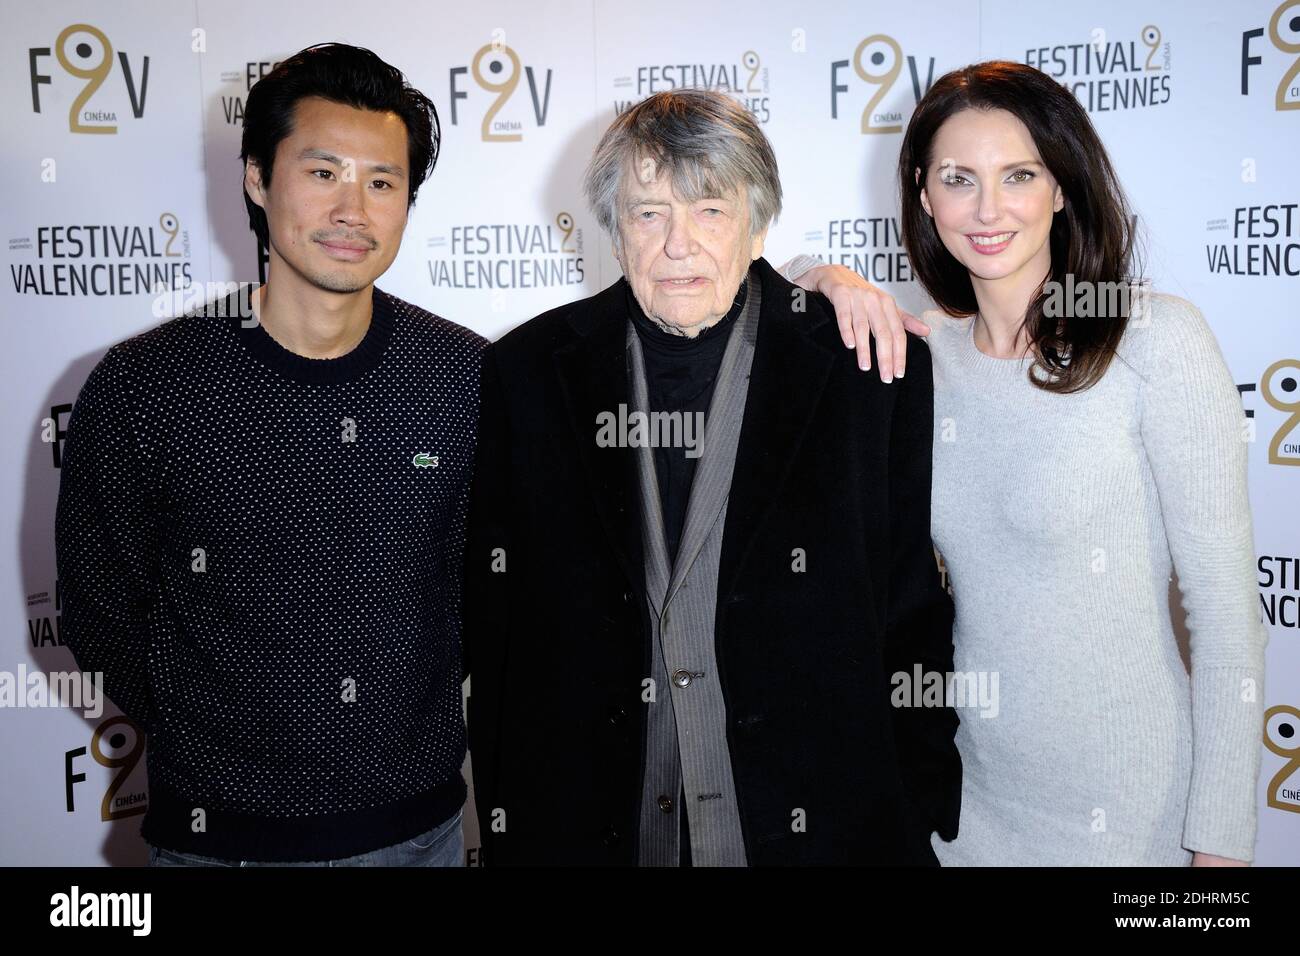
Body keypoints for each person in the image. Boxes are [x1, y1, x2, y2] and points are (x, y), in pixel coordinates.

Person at [787, 60, 1268, 865]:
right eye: (957, 178)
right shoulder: (925, 356)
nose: (986, 209)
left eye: (1018, 175)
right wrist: (829, 278)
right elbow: (773, 290)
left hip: (1132, 819)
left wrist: (1219, 852)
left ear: (1062, 188)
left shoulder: (1155, 340)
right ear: (922, 193)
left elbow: (1226, 623)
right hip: (966, 813)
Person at [463, 89, 960, 866]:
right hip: (590, 826)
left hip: (824, 825)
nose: (678, 246)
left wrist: (920, 792)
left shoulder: (870, 366)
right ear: (612, 228)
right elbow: (498, 630)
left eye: (709, 211)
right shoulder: (525, 372)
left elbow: (910, 605)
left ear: (758, 224)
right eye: (649, 213)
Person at [55, 43, 485, 866]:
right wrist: (215, 737)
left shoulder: (462, 376)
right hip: (217, 845)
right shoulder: (148, 385)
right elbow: (101, 609)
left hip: (419, 838)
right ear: (257, 178)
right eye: (323, 173)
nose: (353, 209)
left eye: (382, 183)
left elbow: (486, 588)